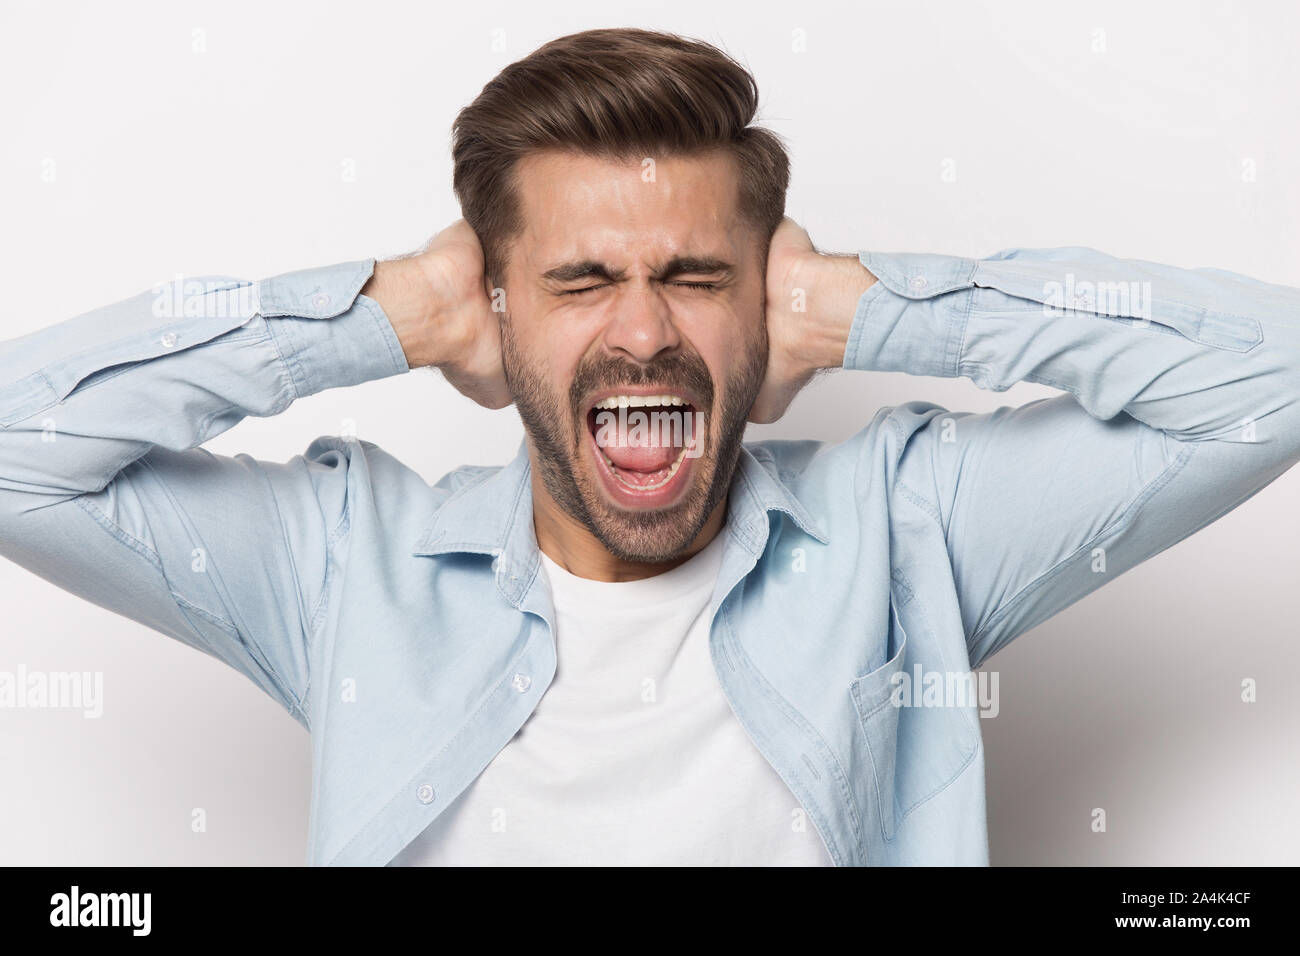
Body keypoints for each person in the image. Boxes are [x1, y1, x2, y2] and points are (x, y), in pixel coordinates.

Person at [2, 27, 1297, 866]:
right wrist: (391, 311)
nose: (641, 331)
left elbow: (1269, 379)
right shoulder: (344, 567)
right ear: (492, 303)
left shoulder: (907, 532)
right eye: (577, 280)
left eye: (693, 276)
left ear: (765, 299)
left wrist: (864, 305)